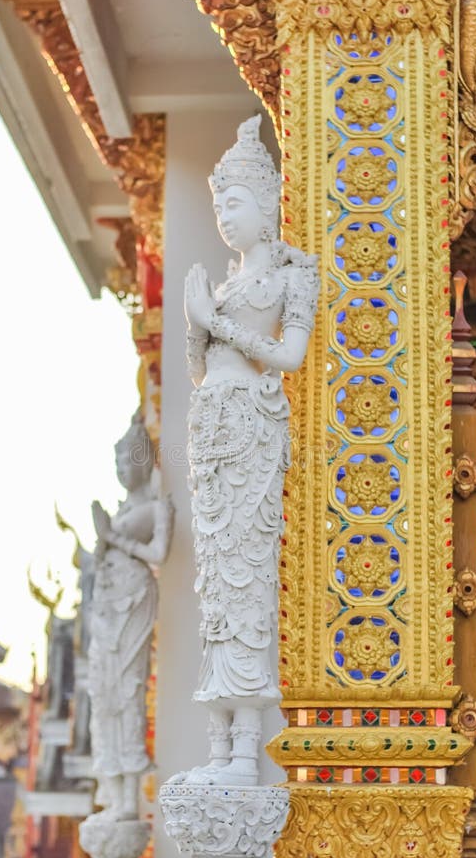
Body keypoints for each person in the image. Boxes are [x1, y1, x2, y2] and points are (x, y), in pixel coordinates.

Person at [182, 115, 319, 786]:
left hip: (257, 434)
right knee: (215, 588)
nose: (224, 216)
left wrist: (217, 323)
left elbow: (288, 357)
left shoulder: (294, 278)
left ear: (267, 208)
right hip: (214, 441)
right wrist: (195, 325)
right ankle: (215, 746)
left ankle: (243, 751)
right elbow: (202, 370)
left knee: (249, 582)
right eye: (218, 205)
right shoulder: (225, 286)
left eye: (234, 203)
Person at [88, 411, 174, 819]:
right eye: (118, 462)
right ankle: (111, 789)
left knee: (128, 689)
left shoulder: (159, 506)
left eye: (129, 461)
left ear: (144, 462)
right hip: (106, 604)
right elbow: (103, 553)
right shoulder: (122, 507)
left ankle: (129, 799)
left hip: (136, 596)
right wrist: (102, 541)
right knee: (103, 694)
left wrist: (116, 539)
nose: (124, 470)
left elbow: (158, 554)